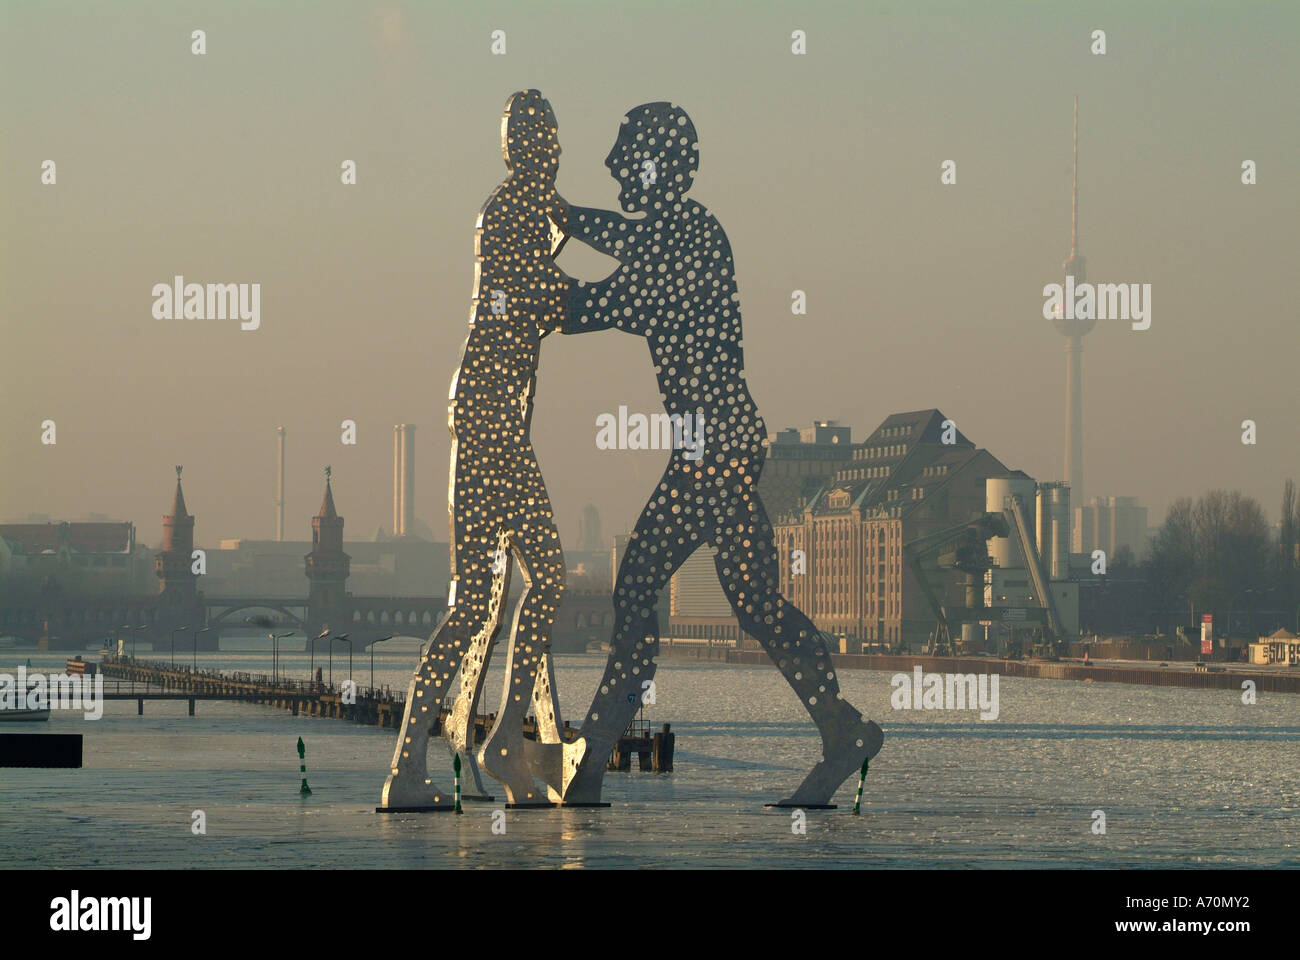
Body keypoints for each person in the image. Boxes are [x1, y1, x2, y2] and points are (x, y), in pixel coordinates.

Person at [557, 102, 883, 806]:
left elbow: (593, 303)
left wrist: (519, 286)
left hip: (714, 449)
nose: (613, 165)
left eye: (626, 154)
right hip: (722, 442)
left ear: (660, 166)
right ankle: (842, 733)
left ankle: (585, 771)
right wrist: (567, 216)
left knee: (639, 590)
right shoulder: (685, 231)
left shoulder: (688, 243)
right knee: (757, 605)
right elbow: (623, 238)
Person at [381, 90, 583, 809]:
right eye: (539, 138)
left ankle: (471, 752)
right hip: (490, 421)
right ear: (520, 149)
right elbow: (547, 296)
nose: (552, 148)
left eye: (553, 135)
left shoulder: (534, 206)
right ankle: (432, 764)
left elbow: (576, 234)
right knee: (485, 602)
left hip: (493, 422)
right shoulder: (511, 210)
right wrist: (634, 300)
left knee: (513, 592)